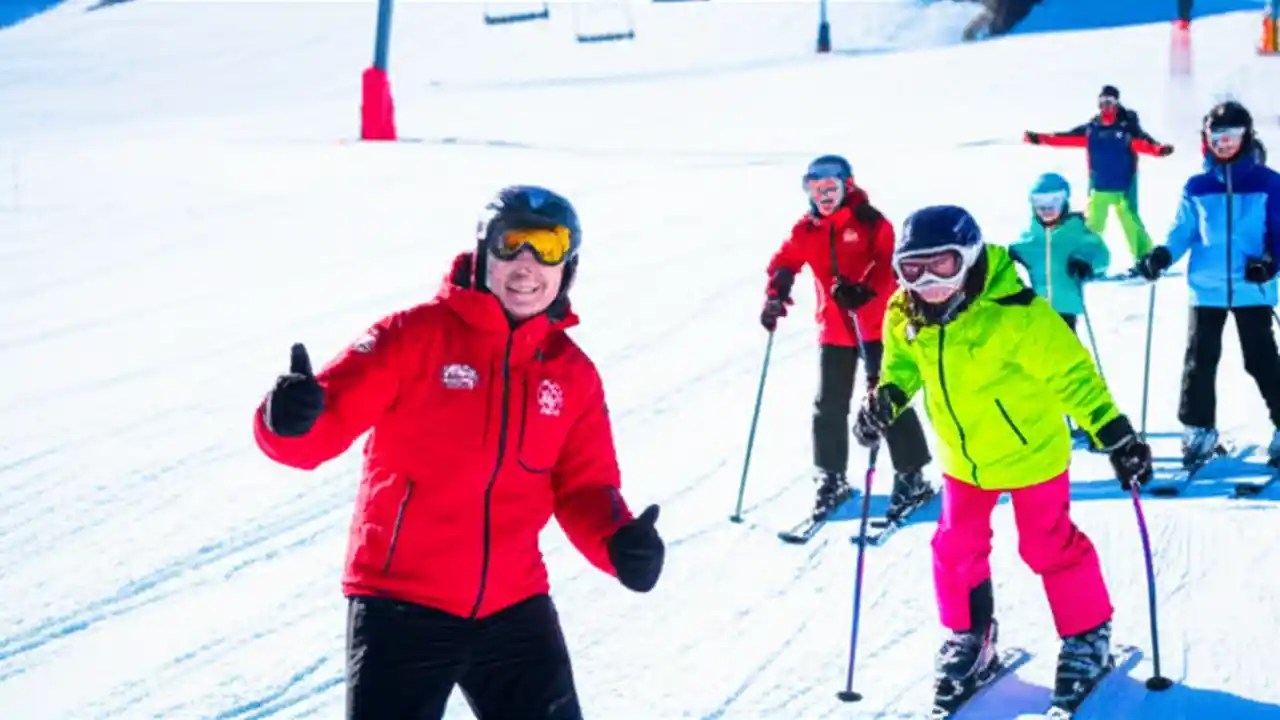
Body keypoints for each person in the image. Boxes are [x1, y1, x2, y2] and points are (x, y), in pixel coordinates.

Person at [252, 185, 666, 720]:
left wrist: (619, 544)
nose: (526, 264)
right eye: (512, 243)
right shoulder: (413, 336)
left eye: (546, 247)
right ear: (483, 253)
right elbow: (321, 427)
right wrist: (286, 419)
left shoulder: (571, 374)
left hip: (513, 605)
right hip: (401, 605)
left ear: (568, 265)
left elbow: (585, 489)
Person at [850, 205, 1153, 714]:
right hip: (965, 461)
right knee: (955, 547)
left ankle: (1086, 634)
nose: (926, 280)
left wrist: (1115, 434)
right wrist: (887, 399)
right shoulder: (905, 312)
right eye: (911, 268)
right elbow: (902, 367)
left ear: (968, 257)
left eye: (941, 265)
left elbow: (1072, 376)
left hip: (1031, 452)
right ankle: (972, 637)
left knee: (1047, 544)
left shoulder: (1018, 313)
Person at [761, 154, 934, 523]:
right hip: (835, 329)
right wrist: (777, 288)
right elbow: (785, 260)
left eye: (831, 188)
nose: (824, 196)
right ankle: (832, 478)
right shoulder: (805, 230)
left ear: (847, 186)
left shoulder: (871, 222)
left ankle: (913, 476)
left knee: (887, 399)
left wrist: (866, 290)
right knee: (829, 405)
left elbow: (891, 264)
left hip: (876, 325)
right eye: (815, 188)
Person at [1132, 100, 1280, 467]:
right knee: (1200, 360)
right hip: (1207, 287)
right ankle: (1198, 430)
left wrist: (1271, 263)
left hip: (1252, 286)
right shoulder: (1197, 186)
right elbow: (1183, 231)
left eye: (1230, 136)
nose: (1223, 143)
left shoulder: (1267, 182)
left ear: (1246, 137)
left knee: (1261, 359)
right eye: (1216, 136)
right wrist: (1163, 254)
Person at [1024, 85, 1175, 264]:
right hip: (1099, 186)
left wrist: (1159, 150)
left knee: (1131, 223)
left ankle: (1144, 259)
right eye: (1102, 102)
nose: (1106, 107)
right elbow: (1065, 138)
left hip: (1124, 185)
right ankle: (1085, 260)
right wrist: (1039, 138)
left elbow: (1144, 143)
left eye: (1110, 102)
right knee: (1093, 225)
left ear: (1117, 103)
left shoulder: (1126, 128)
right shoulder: (1092, 130)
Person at [1008, 172, 1112, 330]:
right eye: (1039, 203)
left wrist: (1086, 263)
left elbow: (1101, 255)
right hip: (1035, 311)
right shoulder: (1029, 239)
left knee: (1066, 351)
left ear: (1064, 201)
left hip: (1066, 309)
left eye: (1054, 202)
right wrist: (1011, 261)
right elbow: (1007, 260)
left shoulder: (1077, 233)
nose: (1046, 209)